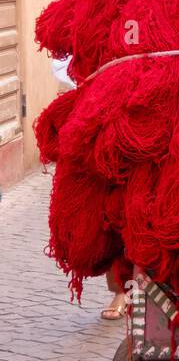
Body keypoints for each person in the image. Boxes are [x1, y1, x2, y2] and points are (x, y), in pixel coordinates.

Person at [50, 54, 125, 321]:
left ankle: (145, 289)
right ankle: (121, 290)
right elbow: (66, 59)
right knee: (109, 208)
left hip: (148, 103)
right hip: (102, 113)